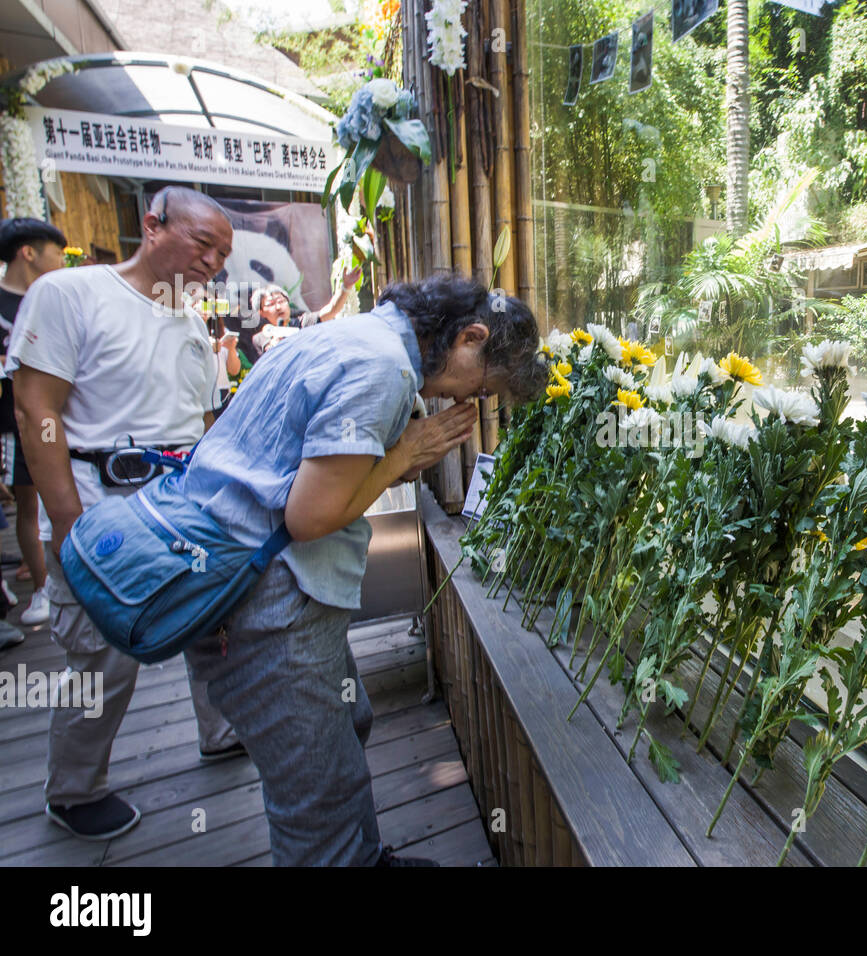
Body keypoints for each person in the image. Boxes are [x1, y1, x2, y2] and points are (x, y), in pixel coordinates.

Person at [181, 273, 547, 866]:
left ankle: (365, 858)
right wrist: (408, 454)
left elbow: (310, 473)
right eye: (485, 386)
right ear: (471, 337)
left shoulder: (351, 337)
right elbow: (309, 516)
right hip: (266, 602)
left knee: (343, 729)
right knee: (313, 788)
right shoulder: (381, 368)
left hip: (262, 588)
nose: (472, 402)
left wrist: (398, 458)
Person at [6, 187, 247, 841]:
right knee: (101, 656)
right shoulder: (70, 295)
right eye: (204, 244)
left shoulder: (192, 320)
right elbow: (37, 409)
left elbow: (205, 422)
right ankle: (75, 790)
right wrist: (68, 522)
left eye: (222, 254)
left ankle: (222, 731)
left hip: (183, 501)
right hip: (101, 501)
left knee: (211, 626)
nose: (213, 262)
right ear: (152, 225)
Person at [0, 218, 66, 635]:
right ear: (28, 252)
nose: (61, 261)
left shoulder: (53, 299)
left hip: (54, 420)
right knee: (27, 502)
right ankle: (42, 586)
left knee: (56, 492)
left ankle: (64, 579)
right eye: (57, 252)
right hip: (11, 423)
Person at [247, 267, 363, 358]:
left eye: (281, 301)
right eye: (271, 304)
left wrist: (346, 287)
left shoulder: (303, 323)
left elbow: (331, 310)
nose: (278, 307)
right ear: (261, 312)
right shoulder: (260, 338)